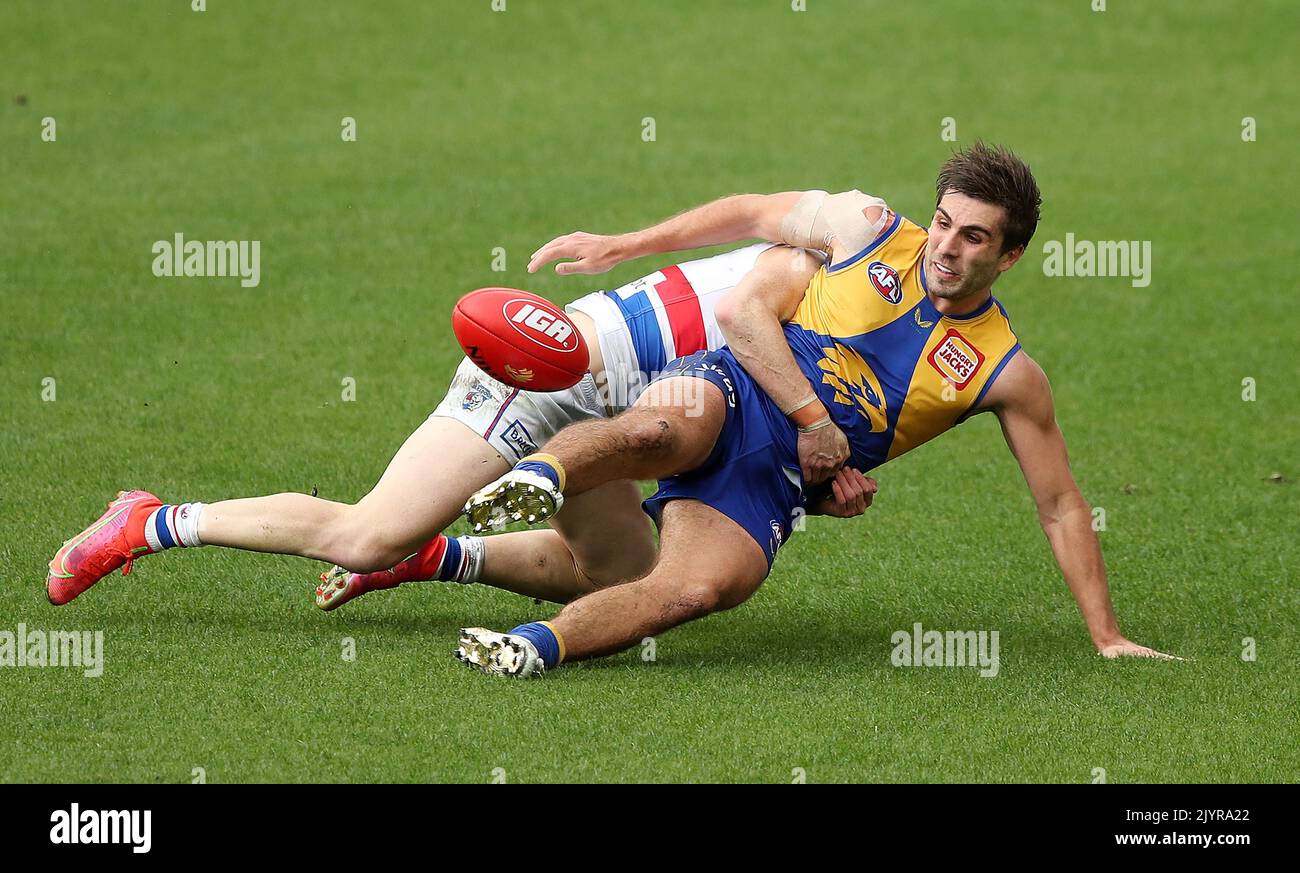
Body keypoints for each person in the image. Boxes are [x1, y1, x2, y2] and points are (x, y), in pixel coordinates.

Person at [452, 142, 1179, 678]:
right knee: (661, 429)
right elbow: (749, 212)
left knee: (692, 590)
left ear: (1010, 256)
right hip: (735, 389)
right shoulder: (868, 228)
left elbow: (1061, 506)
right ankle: (541, 476)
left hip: (776, 485)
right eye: (945, 223)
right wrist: (626, 244)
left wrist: (1107, 634)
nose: (947, 248)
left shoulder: (1006, 372)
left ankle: (530, 646)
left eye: (974, 236)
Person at [47, 242, 871, 610]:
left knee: (620, 581)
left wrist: (807, 486)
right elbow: (736, 354)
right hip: (542, 379)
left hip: (611, 417)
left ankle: (439, 557)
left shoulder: (845, 328)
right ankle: (148, 522)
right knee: (367, 533)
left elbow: (722, 432)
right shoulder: (806, 282)